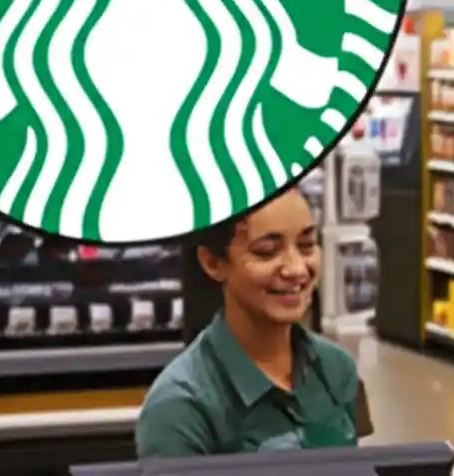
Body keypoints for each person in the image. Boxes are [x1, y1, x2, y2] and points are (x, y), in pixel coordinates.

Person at [135, 187, 364, 457]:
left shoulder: (337, 368)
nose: (297, 269)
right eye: (267, 251)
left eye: (306, 245)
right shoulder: (179, 409)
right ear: (212, 263)